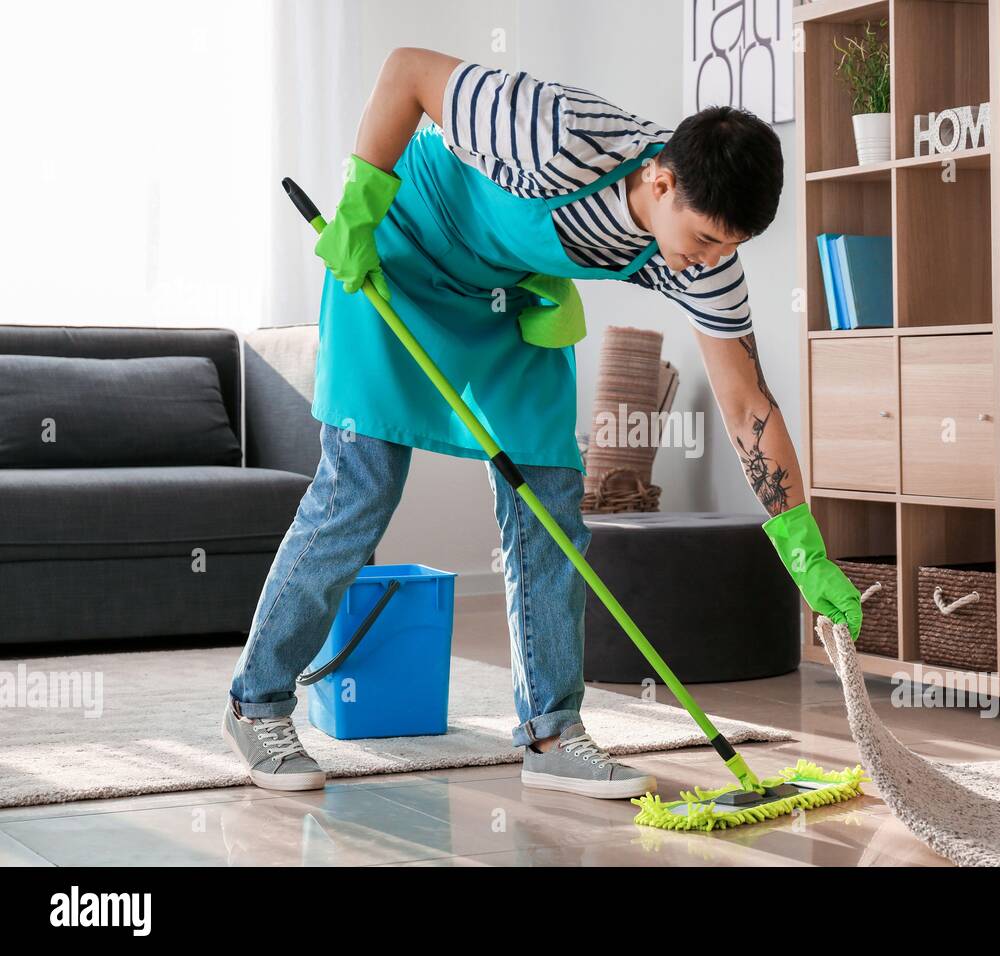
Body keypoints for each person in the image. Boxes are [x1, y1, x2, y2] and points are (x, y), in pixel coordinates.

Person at [221, 48, 863, 798]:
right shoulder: (553, 132)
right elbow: (407, 74)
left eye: (732, 248)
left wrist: (803, 548)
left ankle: (552, 731)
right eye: (705, 240)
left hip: (505, 297)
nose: (709, 263)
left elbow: (750, 405)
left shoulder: (709, 259)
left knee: (551, 499)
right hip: (397, 253)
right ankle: (256, 703)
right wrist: (360, 208)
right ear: (660, 182)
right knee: (360, 489)